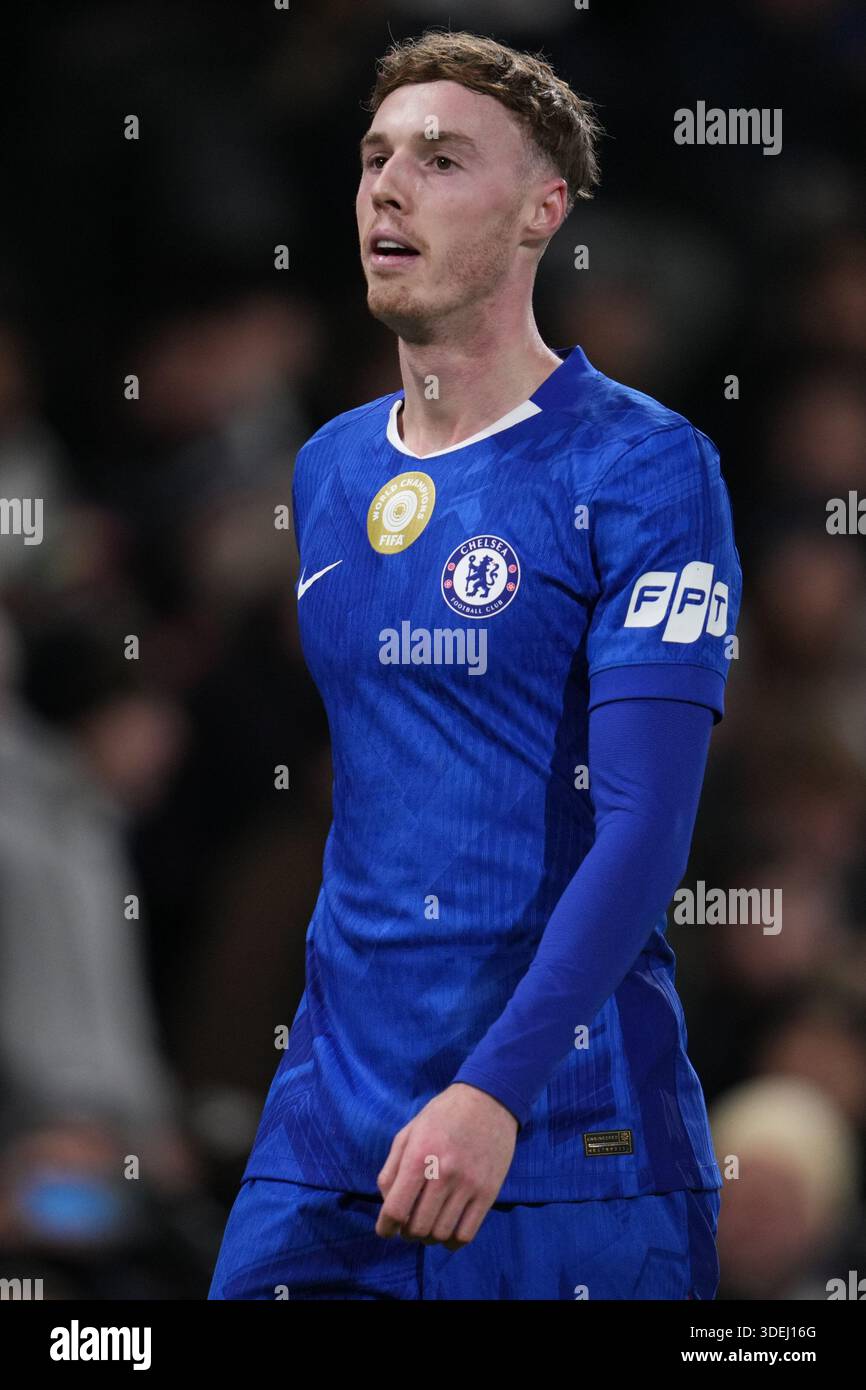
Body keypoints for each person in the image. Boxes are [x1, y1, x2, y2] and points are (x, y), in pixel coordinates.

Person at [209, 29, 741, 1301]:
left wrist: (491, 1094)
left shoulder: (645, 469)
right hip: (331, 1127)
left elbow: (644, 828)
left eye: (441, 161)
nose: (388, 186)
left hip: (566, 1140)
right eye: (375, 157)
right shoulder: (329, 467)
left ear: (537, 214)